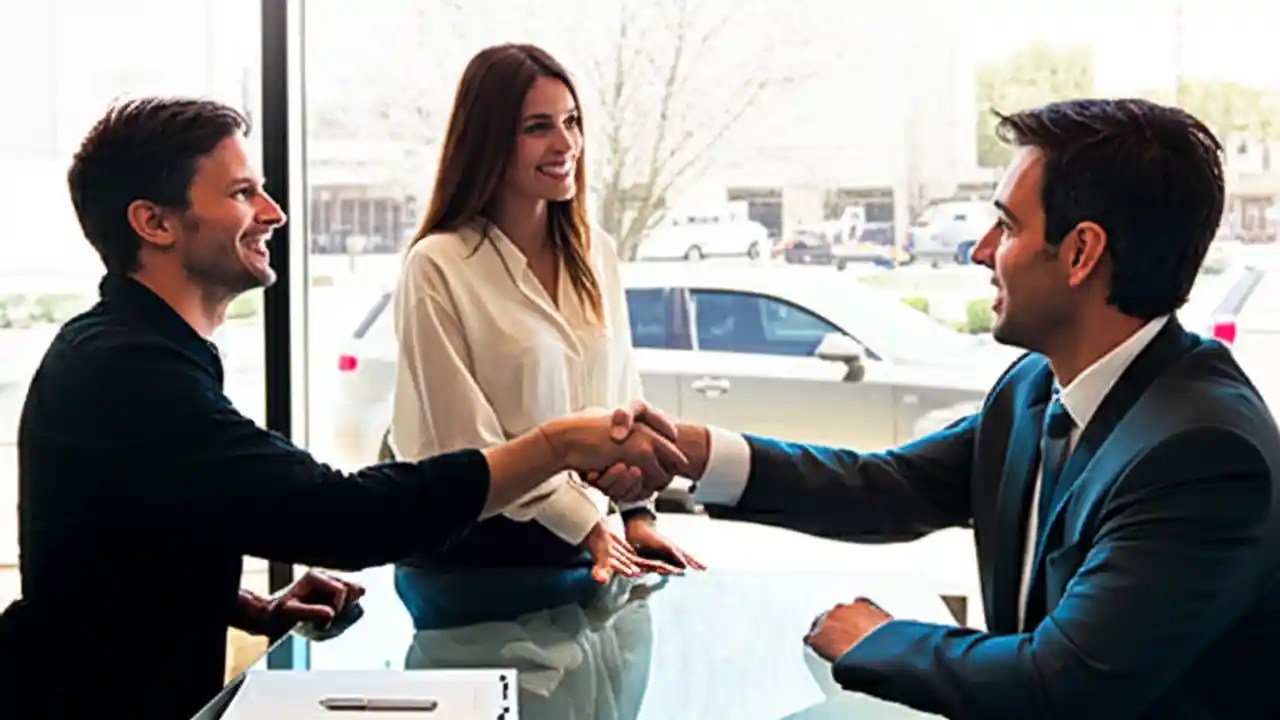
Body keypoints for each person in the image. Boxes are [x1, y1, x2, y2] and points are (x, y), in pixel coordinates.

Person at [598, 99, 1280, 719]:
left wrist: (880, 639)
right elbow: (892, 488)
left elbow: (1064, 682)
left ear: (1080, 252)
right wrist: (693, 455)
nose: (980, 251)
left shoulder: (1202, 453)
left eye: (1006, 226)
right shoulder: (1035, 387)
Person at [4, 96, 684, 719]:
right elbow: (343, 516)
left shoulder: (136, 350)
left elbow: (132, 544)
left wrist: (248, 606)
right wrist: (556, 445)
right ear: (153, 222)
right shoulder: (128, 371)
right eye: (244, 193)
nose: (274, 212)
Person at [388, 42, 701, 628]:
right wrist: (588, 523)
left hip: (588, 550)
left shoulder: (595, 250)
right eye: (538, 127)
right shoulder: (439, 265)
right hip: (473, 566)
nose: (565, 145)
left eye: (572, 121)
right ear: (487, 142)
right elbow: (460, 448)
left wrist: (637, 514)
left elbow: (619, 402)